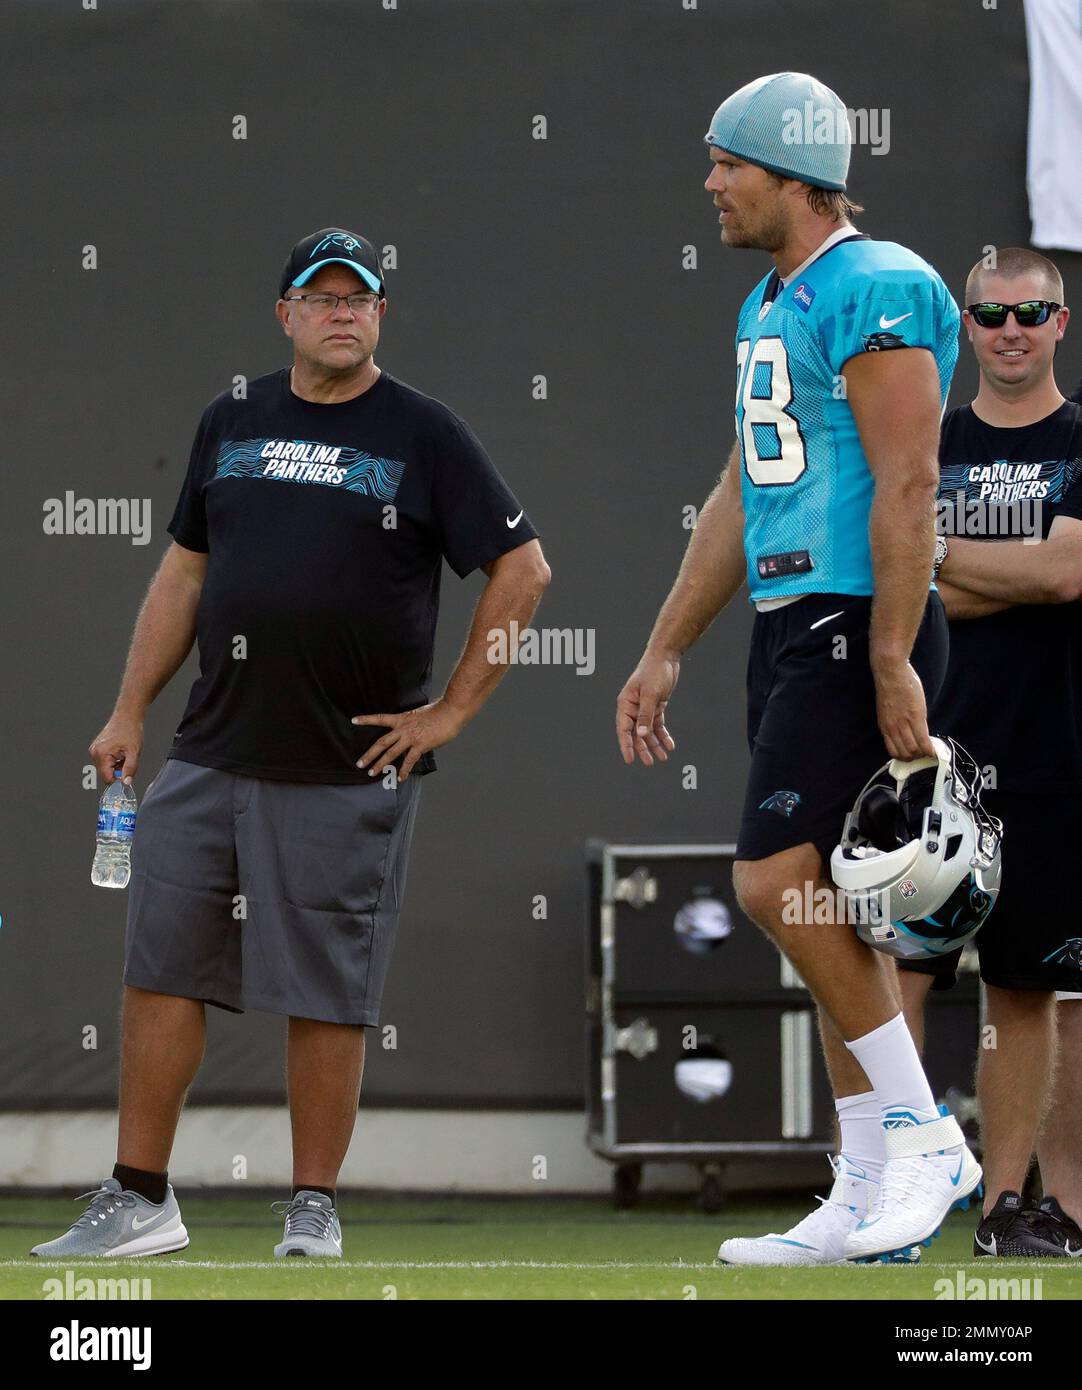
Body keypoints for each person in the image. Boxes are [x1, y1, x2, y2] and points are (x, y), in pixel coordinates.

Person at [32, 227, 550, 1260]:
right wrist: (129, 708)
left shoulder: (424, 433)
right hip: (210, 748)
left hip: (344, 763)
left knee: (322, 989)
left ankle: (311, 1205)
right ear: (286, 314)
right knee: (159, 969)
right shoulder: (231, 418)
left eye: (359, 296)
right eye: (320, 295)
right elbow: (183, 572)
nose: (341, 310)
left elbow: (522, 570)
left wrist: (448, 712)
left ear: (379, 315)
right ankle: (140, 1196)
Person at [616, 73, 978, 1265]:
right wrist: (667, 644)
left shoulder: (874, 282)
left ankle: (925, 1138)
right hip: (790, 614)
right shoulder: (771, 300)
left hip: (853, 612)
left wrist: (888, 653)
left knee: (773, 880)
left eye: (726, 164)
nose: (709, 185)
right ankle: (864, 1180)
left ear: (787, 171)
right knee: (833, 909)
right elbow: (738, 491)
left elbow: (910, 478)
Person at [898, 247, 1082, 1258]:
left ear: (1059, 324)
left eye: (1028, 312)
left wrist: (932, 557)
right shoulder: (926, 438)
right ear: (963, 325)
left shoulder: (1080, 437)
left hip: (1051, 755)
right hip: (919, 753)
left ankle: (1013, 1207)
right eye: (988, 312)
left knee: (1033, 989)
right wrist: (974, 571)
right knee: (898, 974)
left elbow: (1064, 573)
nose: (1008, 329)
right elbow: (885, 578)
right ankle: (887, 1189)